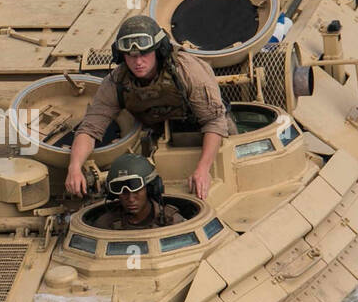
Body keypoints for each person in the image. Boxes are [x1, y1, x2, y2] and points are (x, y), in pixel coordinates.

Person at [65, 15, 235, 200]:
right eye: (131, 56)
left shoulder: (187, 71)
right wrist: (74, 167)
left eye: (144, 54)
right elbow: (90, 129)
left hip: (207, 136)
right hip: (158, 139)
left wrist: (203, 169)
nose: (138, 62)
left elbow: (214, 121)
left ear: (159, 50)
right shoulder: (116, 82)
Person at [88, 153, 184, 230]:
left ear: (150, 189)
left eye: (136, 190)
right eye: (124, 192)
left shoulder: (172, 222)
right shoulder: (104, 225)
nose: (131, 199)